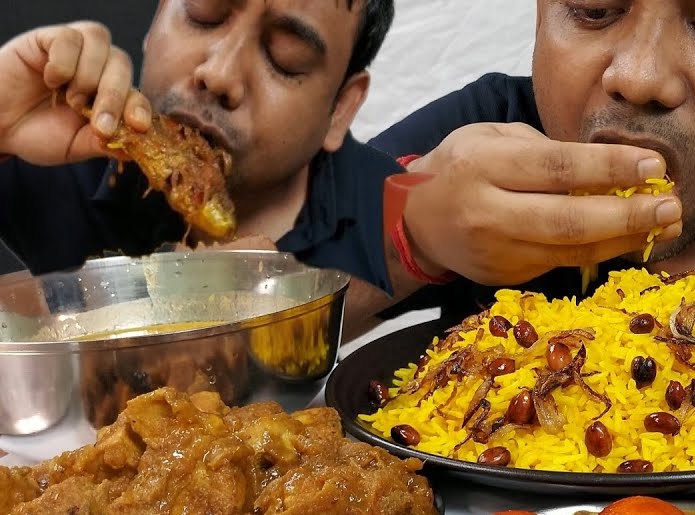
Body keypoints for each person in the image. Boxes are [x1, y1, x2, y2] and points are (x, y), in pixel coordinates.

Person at [369, 0, 695, 329]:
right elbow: (290, 289)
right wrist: (410, 233)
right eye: (594, 9)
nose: (637, 77)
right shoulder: (491, 132)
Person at [0, 0, 406, 338]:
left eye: (286, 59)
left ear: (341, 109)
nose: (218, 74)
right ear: (159, 14)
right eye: (203, 15)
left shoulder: (399, 216)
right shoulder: (54, 140)